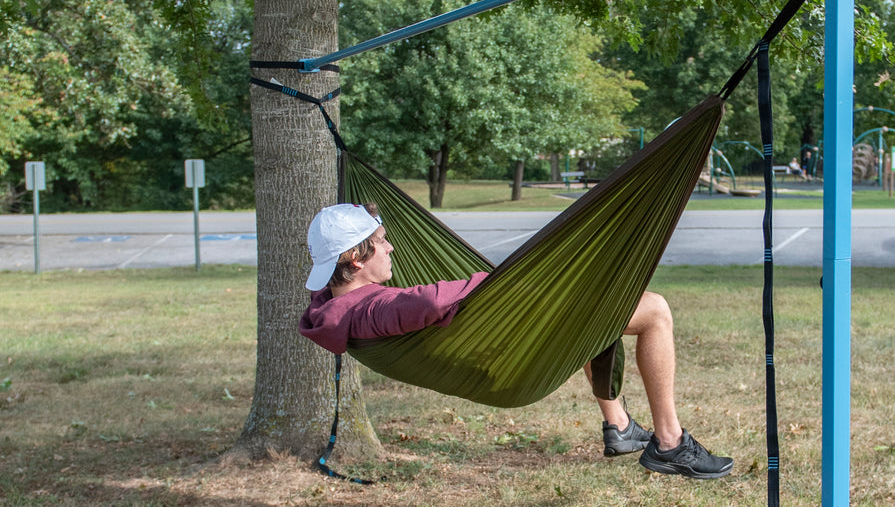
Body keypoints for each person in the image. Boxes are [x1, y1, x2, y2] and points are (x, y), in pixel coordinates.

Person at [298, 203, 733, 479]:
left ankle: (618, 426)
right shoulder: (373, 309)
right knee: (655, 310)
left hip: (495, 347)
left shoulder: (333, 306)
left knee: (592, 315)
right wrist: (519, 279)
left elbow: (396, 302)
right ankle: (671, 443)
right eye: (379, 243)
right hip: (506, 358)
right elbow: (427, 302)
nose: (391, 247)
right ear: (355, 259)